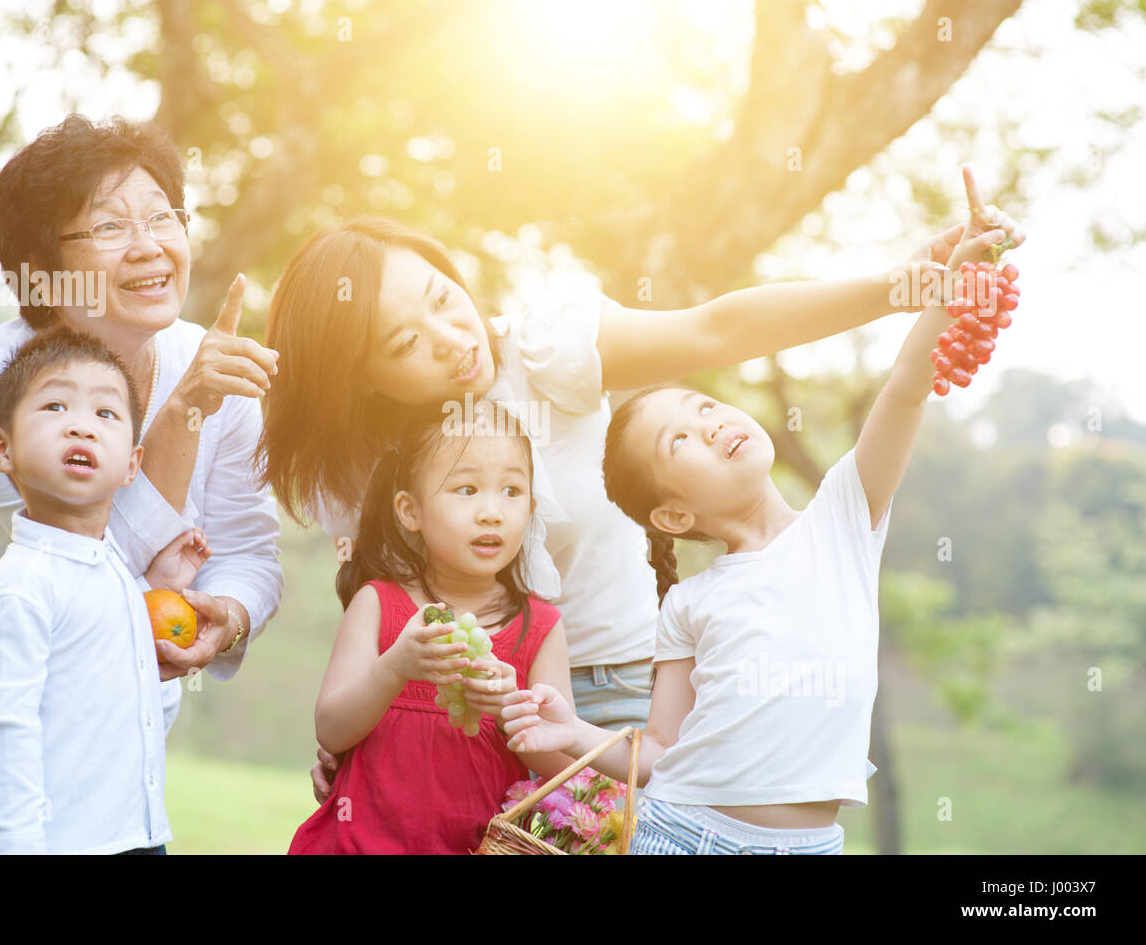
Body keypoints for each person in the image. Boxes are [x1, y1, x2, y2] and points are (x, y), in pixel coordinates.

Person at [259, 202, 1022, 800]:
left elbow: (715, 329)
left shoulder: (545, 351)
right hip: (460, 713)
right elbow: (379, 612)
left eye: (440, 298)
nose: (450, 338)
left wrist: (904, 285)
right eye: (404, 345)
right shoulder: (367, 467)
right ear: (365, 382)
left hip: (622, 694)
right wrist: (350, 726)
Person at [499, 169, 1025, 855]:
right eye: (678, 440)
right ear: (674, 518)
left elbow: (903, 390)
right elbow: (658, 750)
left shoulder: (842, 517)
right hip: (682, 834)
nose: (710, 425)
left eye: (705, 407)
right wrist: (573, 735)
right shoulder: (687, 604)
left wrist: (953, 280)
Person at [0, 115, 283, 854]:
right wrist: (182, 415)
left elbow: (251, 551)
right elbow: (90, 566)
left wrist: (228, 613)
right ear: (44, 267)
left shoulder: (211, 368)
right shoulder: (1, 387)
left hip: (83, 681)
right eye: (109, 227)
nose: (148, 245)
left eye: (161, 216)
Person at [287, 404, 575, 854]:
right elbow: (331, 729)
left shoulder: (540, 627)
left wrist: (506, 710)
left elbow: (561, 766)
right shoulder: (378, 603)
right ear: (409, 510)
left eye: (512, 490)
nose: (492, 512)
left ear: (532, 507)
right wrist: (395, 667)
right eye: (466, 489)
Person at [0, 328, 204, 854]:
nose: (82, 427)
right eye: (54, 406)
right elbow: (1, 735)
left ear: (132, 464)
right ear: (1, 448)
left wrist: (157, 591)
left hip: (138, 835)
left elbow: (143, 704)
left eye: (106, 414)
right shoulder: (23, 588)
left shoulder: (111, 570)